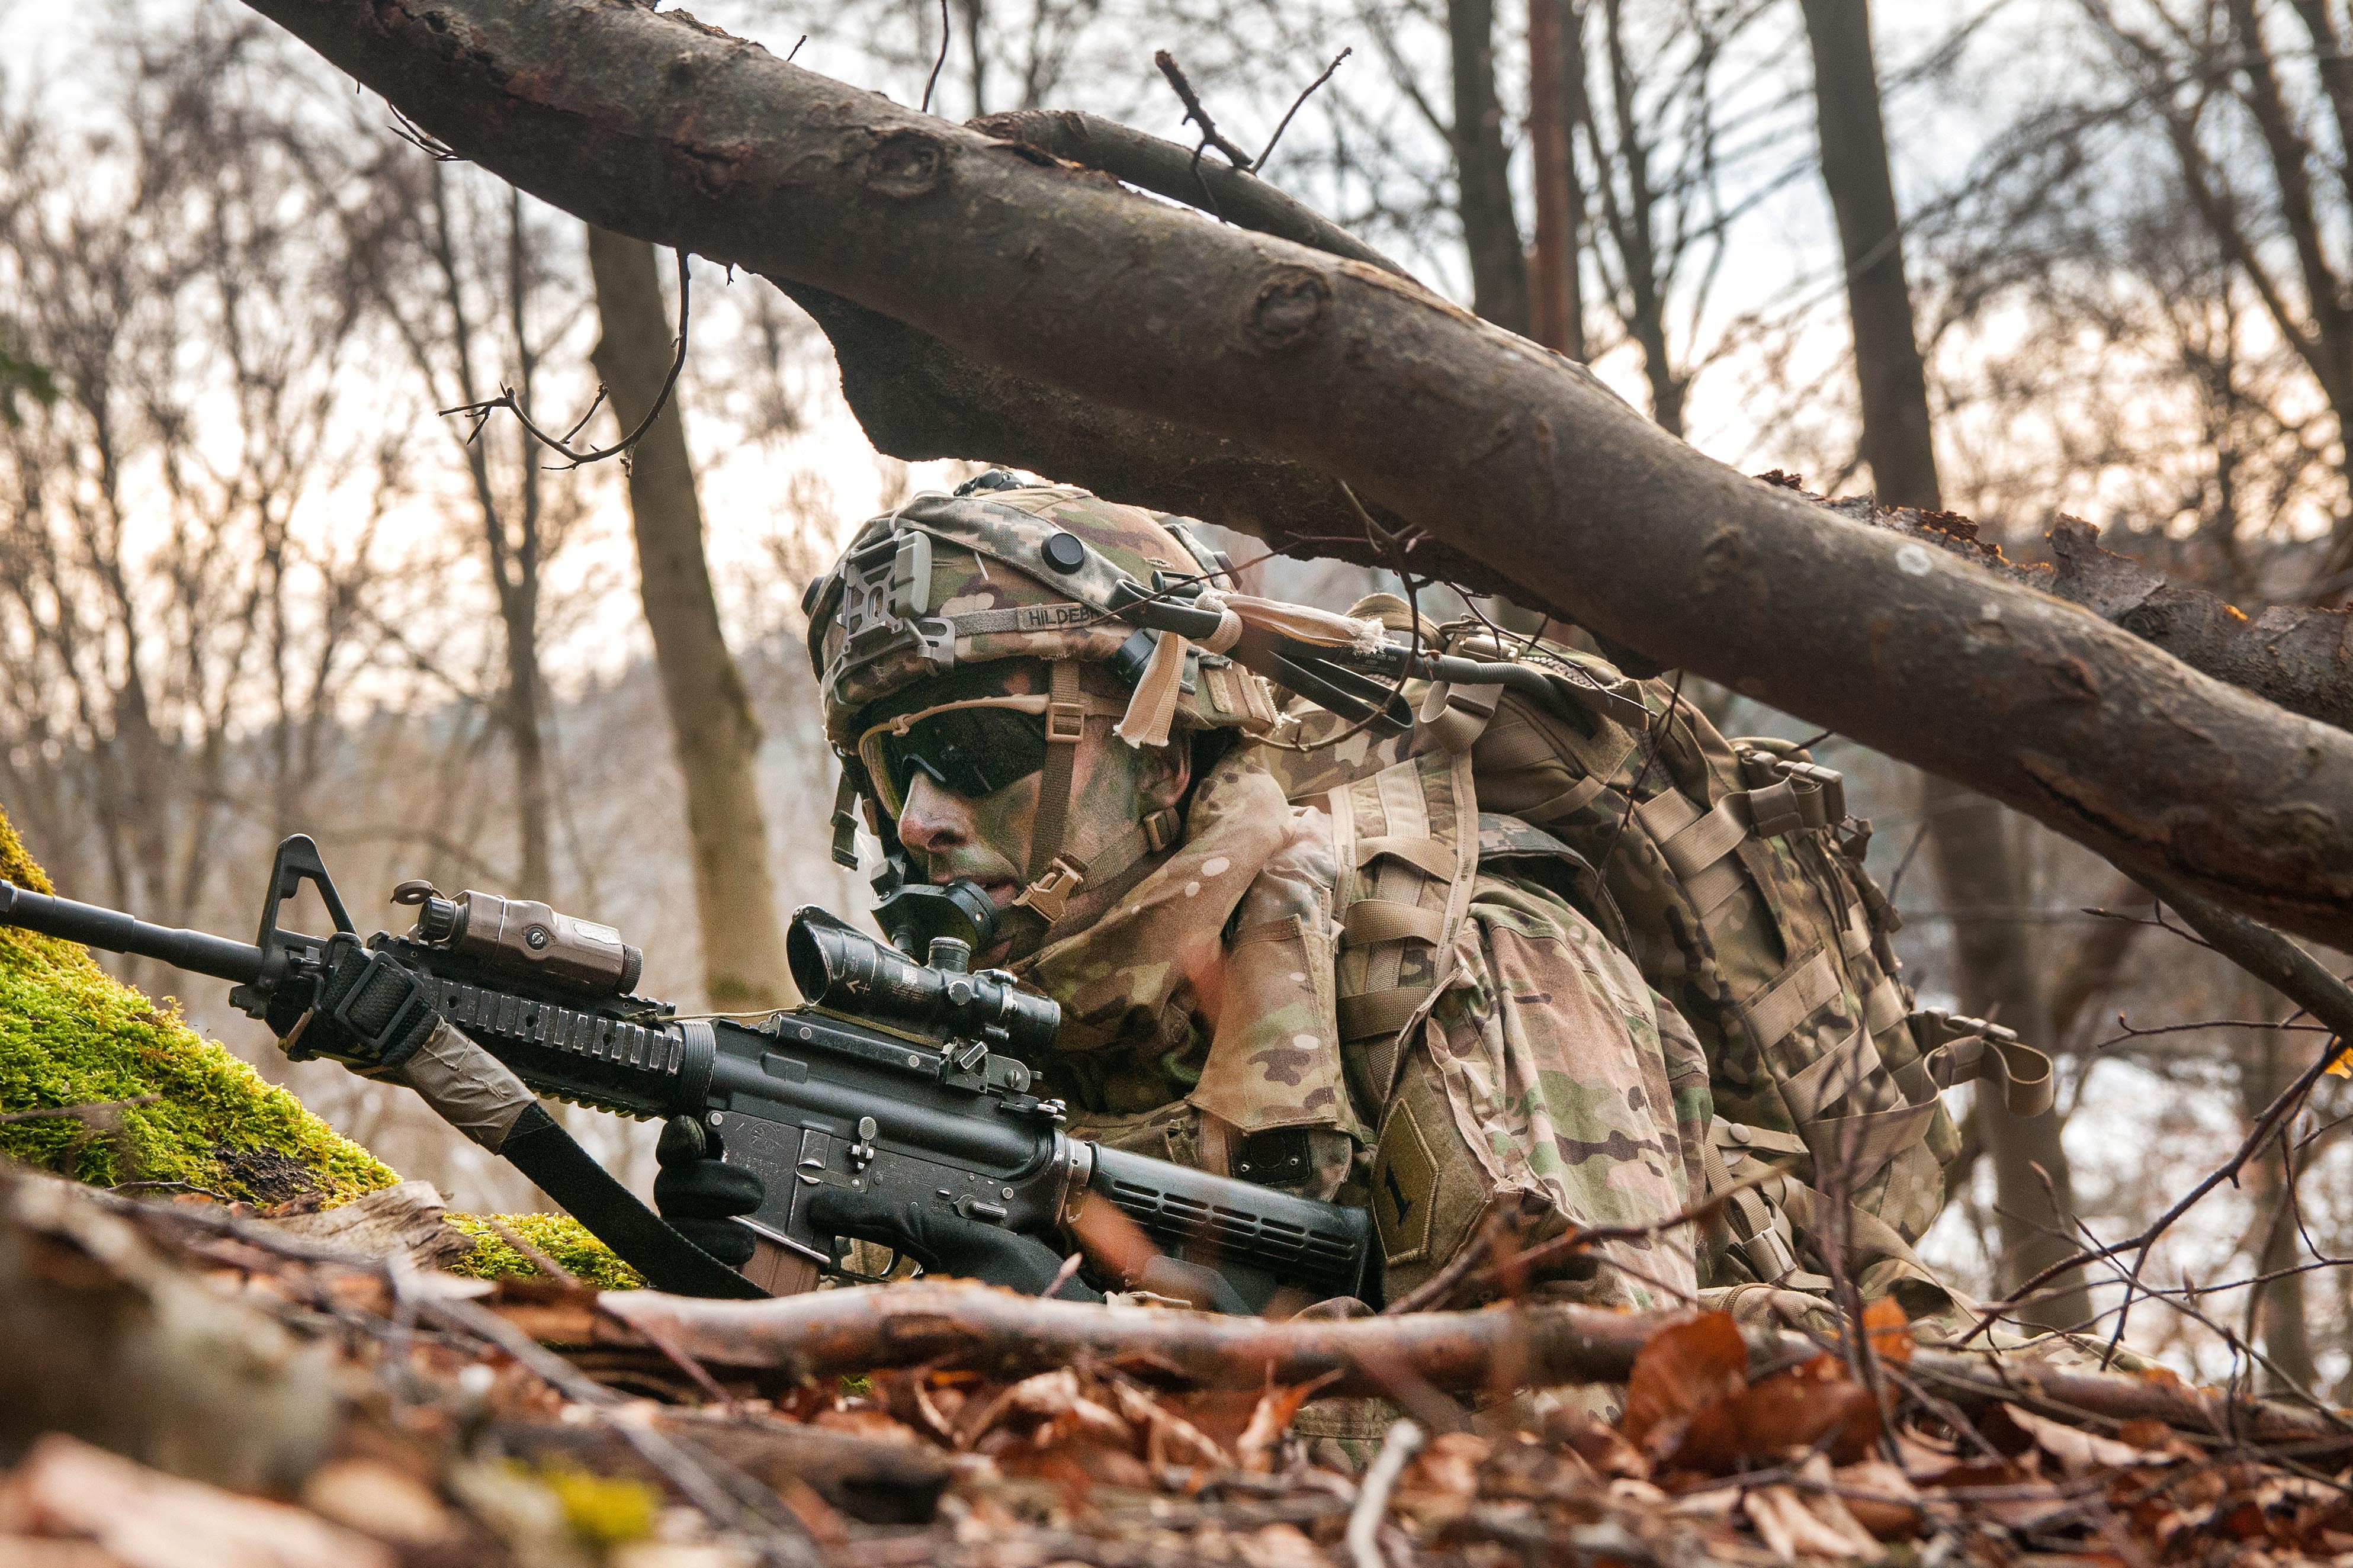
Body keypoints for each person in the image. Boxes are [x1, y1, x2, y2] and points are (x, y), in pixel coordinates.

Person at [659, 471, 1715, 1320]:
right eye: (893, 770)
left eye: (971, 746)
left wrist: (1100, 1367)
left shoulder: (1455, 960)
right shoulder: (985, 1035)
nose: (920, 821)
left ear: (1159, 752)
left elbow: (1614, 1431)